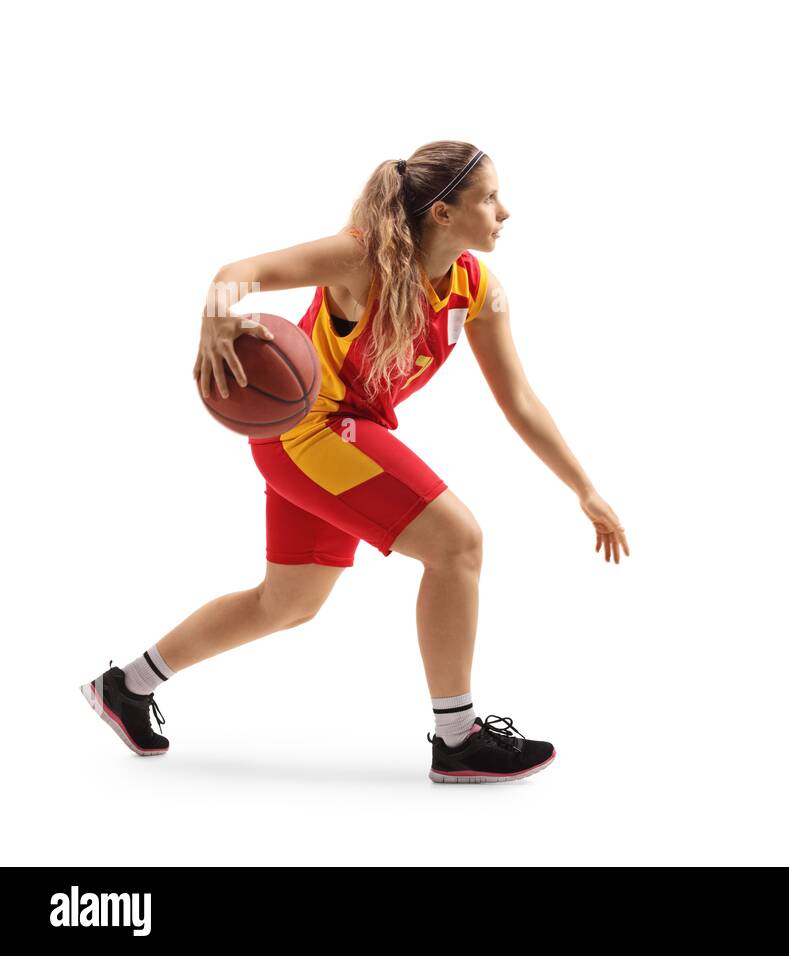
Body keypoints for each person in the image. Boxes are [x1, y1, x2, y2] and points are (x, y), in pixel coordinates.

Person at [80, 140, 629, 784]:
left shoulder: (479, 289)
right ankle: (457, 739)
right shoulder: (360, 257)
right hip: (309, 431)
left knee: (286, 603)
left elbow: (520, 400)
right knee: (457, 544)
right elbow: (238, 272)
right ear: (444, 212)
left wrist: (584, 488)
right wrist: (215, 318)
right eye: (488, 198)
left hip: (334, 439)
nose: (504, 211)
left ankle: (126, 685)